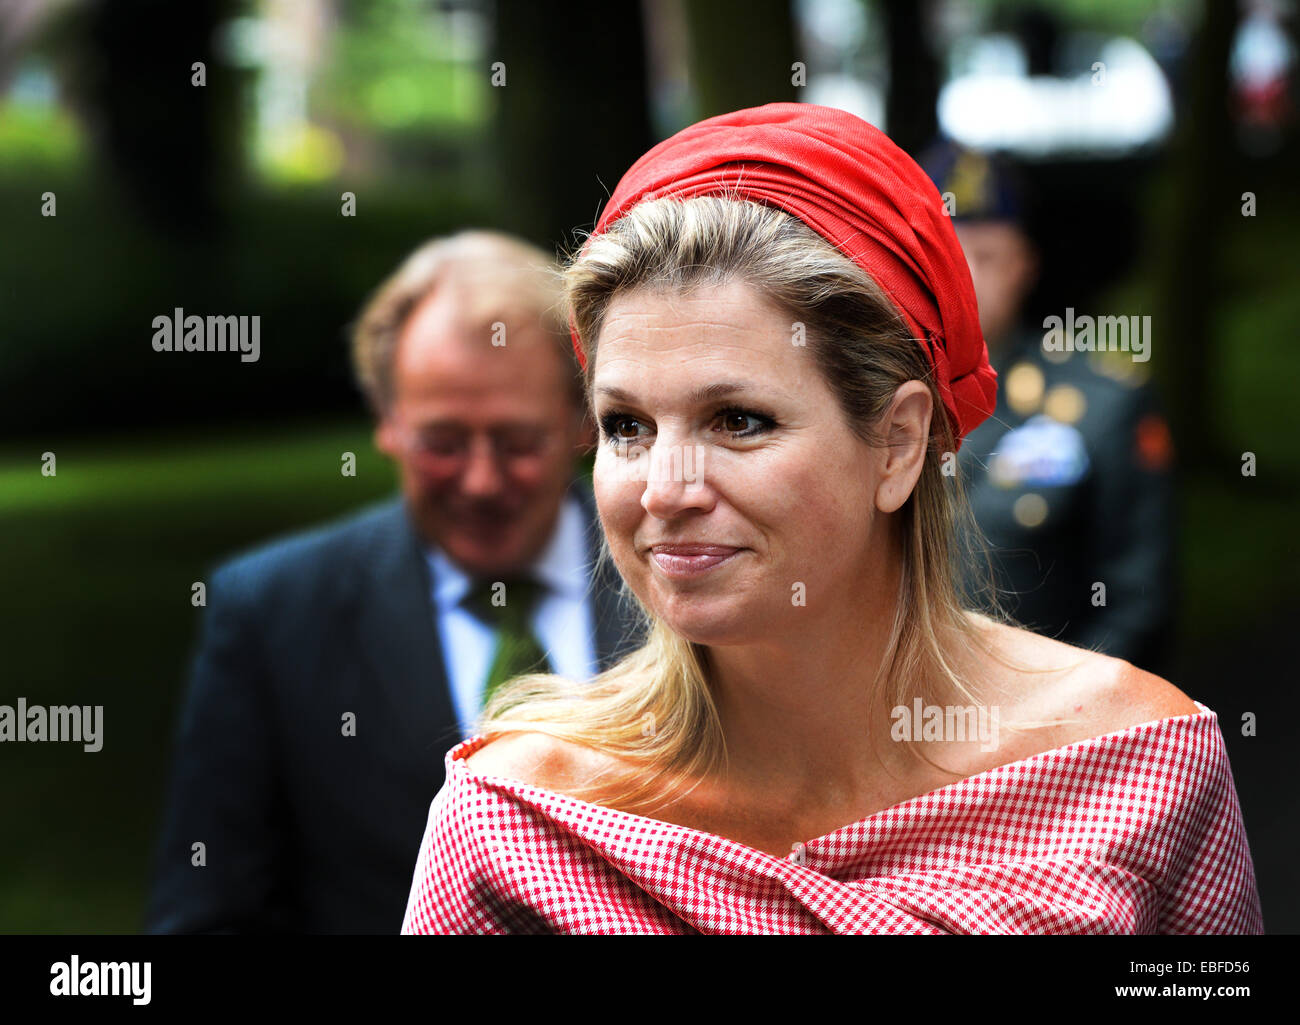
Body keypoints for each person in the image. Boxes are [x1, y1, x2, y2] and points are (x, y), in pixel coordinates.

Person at [400, 105, 1262, 935]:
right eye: (627, 426)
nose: (663, 488)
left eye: (738, 419)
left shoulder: (1132, 771)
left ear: (896, 444)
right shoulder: (524, 820)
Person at [145, 231, 645, 934]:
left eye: (516, 442)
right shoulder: (273, 614)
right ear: (387, 424)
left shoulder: (677, 576)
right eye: (442, 443)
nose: (481, 480)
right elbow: (207, 914)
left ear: (579, 420)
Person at [920, 140, 1176, 674]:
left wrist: (1053, 736)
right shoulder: (858, 400)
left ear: (1024, 266)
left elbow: (1139, 602)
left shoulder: (1103, 404)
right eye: (947, 256)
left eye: (986, 257)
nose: (964, 277)